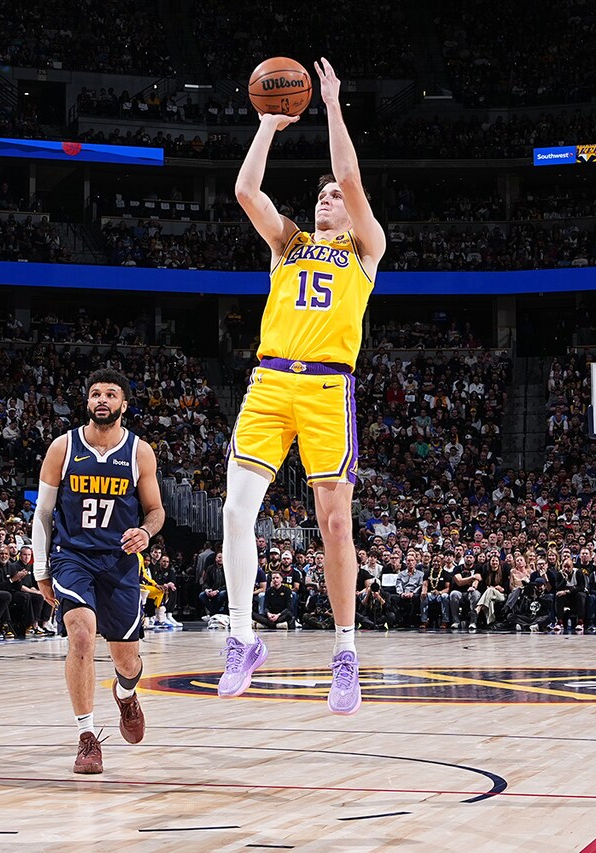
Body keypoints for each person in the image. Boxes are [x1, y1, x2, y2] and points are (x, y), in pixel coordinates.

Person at [219, 58, 385, 715]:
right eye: (320, 197)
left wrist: (334, 104)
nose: (327, 200)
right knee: (235, 513)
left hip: (325, 391)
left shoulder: (365, 249)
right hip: (268, 384)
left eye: (335, 199)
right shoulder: (287, 245)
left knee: (335, 522)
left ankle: (345, 651)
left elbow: (348, 173)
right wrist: (267, 124)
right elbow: (246, 193)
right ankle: (240, 638)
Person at [32, 368, 164, 774]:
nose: (101, 400)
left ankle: (126, 695)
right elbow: (43, 512)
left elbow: (156, 511)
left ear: (124, 404)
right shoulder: (63, 447)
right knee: (82, 637)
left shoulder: (139, 451)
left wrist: (145, 532)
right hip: (73, 558)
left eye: (110, 394)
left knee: (127, 661)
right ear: (87, 403)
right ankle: (87, 738)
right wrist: (41, 567)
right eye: (95, 394)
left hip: (119, 563)